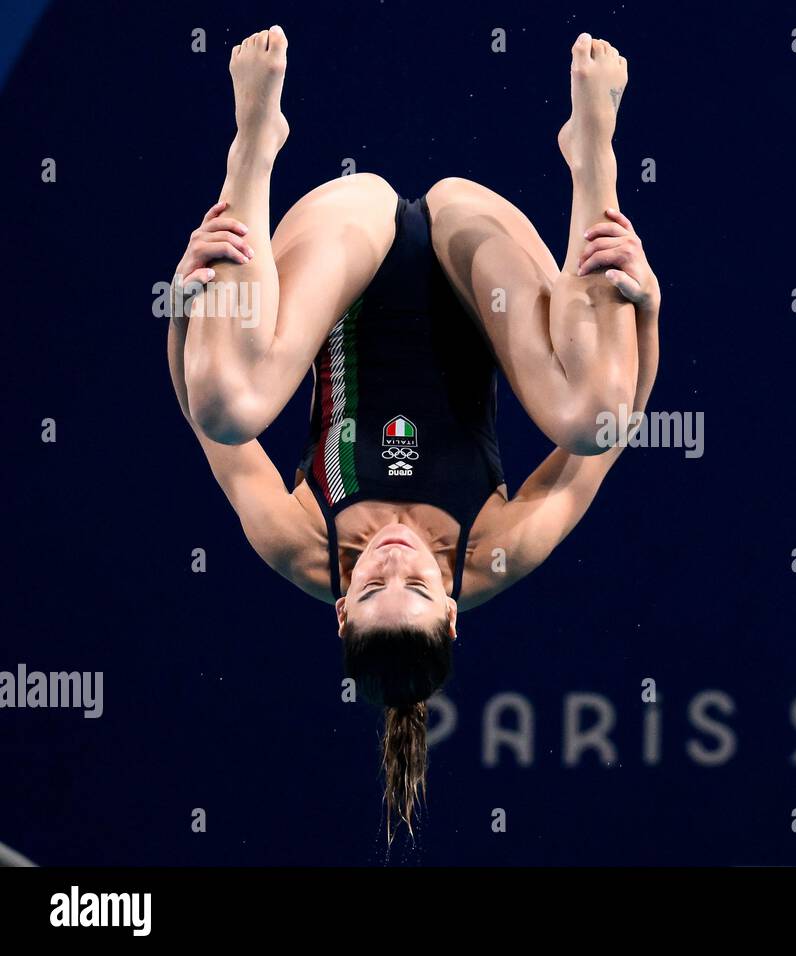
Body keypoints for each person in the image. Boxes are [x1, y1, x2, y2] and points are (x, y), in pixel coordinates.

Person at [165, 26, 661, 837]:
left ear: (339, 608)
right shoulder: (496, 550)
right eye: (421, 587)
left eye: (371, 587)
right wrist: (648, 308)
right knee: (592, 418)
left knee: (229, 402)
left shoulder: (299, 546)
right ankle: (593, 154)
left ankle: (251, 145)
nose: (395, 562)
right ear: (455, 609)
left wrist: (191, 299)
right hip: (478, 263)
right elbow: (607, 443)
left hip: (344, 249)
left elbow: (203, 421)